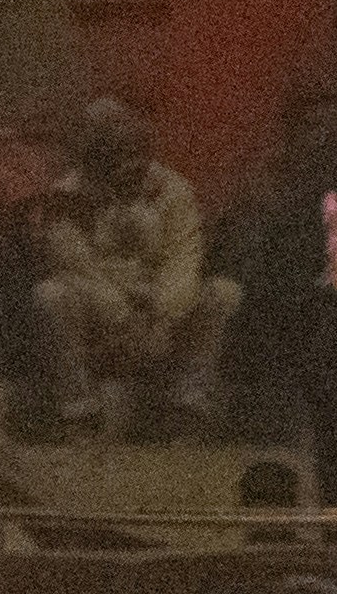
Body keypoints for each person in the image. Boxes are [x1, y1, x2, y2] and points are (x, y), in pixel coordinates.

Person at [26, 98, 235, 438]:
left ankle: (187, 407)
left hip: (159, 318)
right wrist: (122, 315)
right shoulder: (65, 198)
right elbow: (74, 266)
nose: (130, 166)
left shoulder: (172, 191)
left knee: (223, 294)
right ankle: (79, 413)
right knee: (50, 296)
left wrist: (159, 310)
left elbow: (184, 259)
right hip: (101, 317)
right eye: (116, 151)